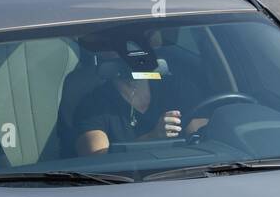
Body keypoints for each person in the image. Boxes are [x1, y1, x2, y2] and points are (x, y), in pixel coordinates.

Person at [73, 41, 207, 156]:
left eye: (134, 45)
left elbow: (203, 141)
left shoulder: (178, 88)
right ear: (104, 56)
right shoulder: (92, 106)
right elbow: (98, 160)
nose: (129, 52)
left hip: (186, 176)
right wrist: (153, 137)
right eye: (117, 46)